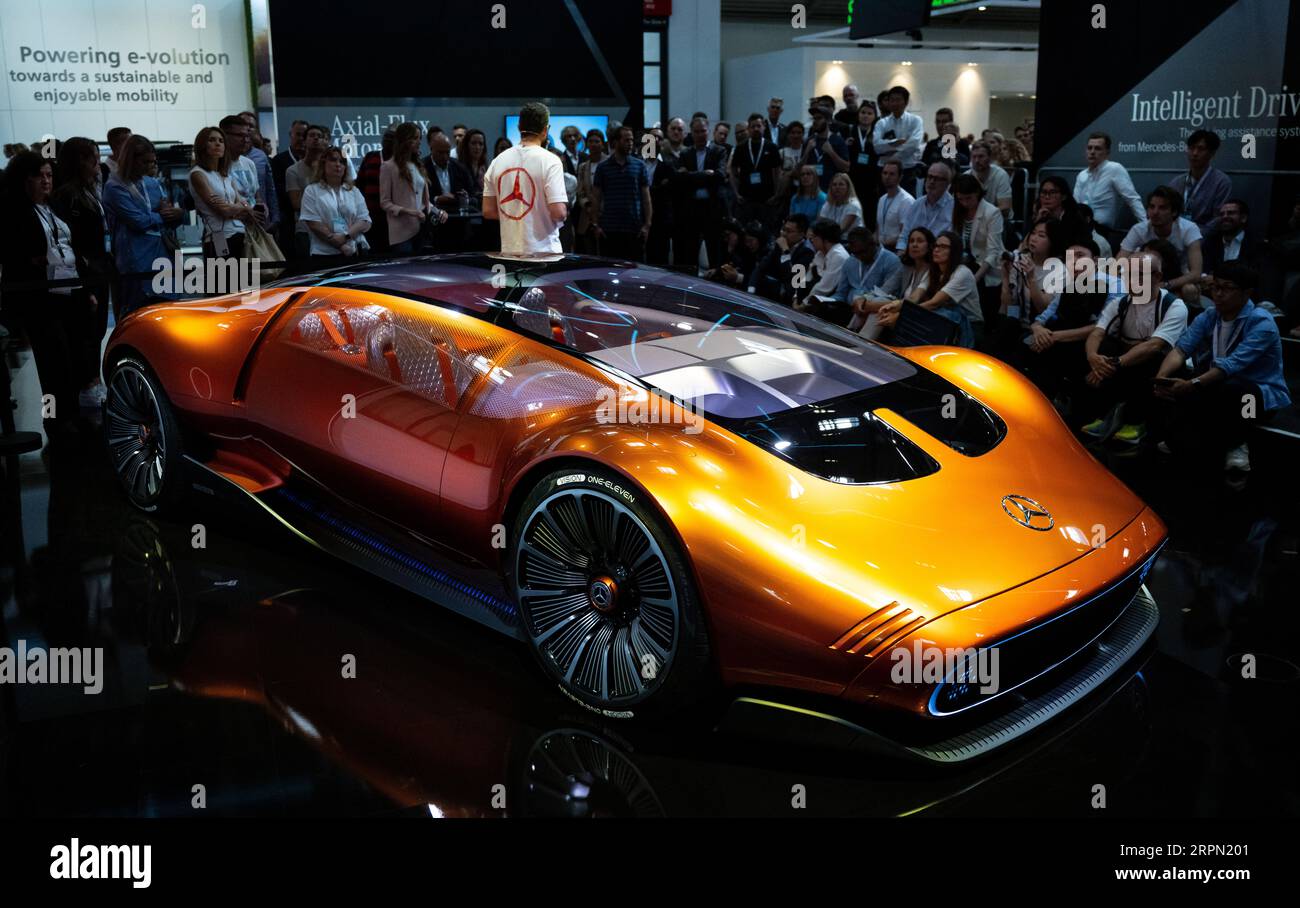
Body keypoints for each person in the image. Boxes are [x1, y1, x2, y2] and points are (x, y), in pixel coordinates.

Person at [1154, 260, 1289, 473]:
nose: (1217, 294)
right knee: (1182, 378)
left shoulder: (1261, 322)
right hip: (1218, 383)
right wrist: (1161, 378)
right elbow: (1181, 349)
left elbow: (1232, 364)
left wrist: (1192, 385)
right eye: (1215, 286)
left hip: (1257, 397)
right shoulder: (1210, 315)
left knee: (1237, 391)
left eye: (1226, 288)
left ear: (1247, 293)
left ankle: (1239, 444)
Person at [0, 152, 82, 441]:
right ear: (24, 180)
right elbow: (13, 253)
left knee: (69, 357)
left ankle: (72, 413)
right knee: (52, 362)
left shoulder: (54, 206)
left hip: (66, 289)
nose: (46, 181)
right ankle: (54, 420)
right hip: (37, 297)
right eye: (39, 176)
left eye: (49, 175)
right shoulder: (14, 211)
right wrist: (32, 260)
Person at [1076, 249, 1188, 444]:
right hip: (1125, 361)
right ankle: (1104, 415)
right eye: (1128, 274)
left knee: (1148, 357)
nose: (1131, 279)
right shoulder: (1121, 302)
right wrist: (1093, 358)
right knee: (1103, 348)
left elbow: (1154, 345)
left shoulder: (1174, 306)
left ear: (1158, 276)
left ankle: (1136, 421)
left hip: (1160, 367)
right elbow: (1097, 332)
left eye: (1138, 274)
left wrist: (1113, 364)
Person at [51, 137, 114, 408]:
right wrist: (85, 281)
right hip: (84, 272)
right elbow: (71, 241)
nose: (96, 164)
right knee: (86, 332)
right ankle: (87, 385)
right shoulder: (67, 196)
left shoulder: (90, 191)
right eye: (92, 159)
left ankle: (94, 382)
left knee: (97, 330)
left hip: (99, 267)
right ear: (79, 161)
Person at [1024, 238, 1117, 402]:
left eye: (1080, 255)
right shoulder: (1069, 284)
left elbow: (1104, 327)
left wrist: (1053, 337)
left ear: (1095, 261)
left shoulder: (1114, 284)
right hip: (1062, 338)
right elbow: (1043, 317)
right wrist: (1039, 329)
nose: (1073, 261)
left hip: (1096, 344)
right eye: (1070, 257)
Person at [102, 136, 183, 316]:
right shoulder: (114, 187)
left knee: (169, 310)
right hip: (135, 259)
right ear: (131, 160)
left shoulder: (152, 183)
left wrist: (177, 214)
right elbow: (138, 221)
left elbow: (167, 215)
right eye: (145, 162)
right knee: (138, 313)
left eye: (152, 161)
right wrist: (162, 215)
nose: (149, 166)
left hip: (162, 255)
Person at [482, 101, 568, 256]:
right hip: (545, 254)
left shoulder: (497, 161)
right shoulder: (551, 160)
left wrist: (515, 214)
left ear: (519, 127)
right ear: (545, 129)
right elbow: (559, 213)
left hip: (509, 252)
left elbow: (488, 211)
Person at [877, 229, 977, 347]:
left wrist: (901, 316)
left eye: (943, 247)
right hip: (944, 320)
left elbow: (933, 303)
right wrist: (896, 305)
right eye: (935, 246)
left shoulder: (963, 273)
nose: (936, 250)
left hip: (968, 326)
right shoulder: (934, 271)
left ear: (954, 251)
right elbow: (915, 297)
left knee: (923, 317)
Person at [1120, 186, 1203, 307]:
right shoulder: (1139, 229)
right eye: (1152, 207)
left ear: (1174, 212)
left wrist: (1165, 285)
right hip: (1147, 275)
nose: (1155, 212)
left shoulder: (1188, 229)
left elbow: (1196, 273)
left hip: (1179, 278)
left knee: (1189, 289)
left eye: (1162, 208)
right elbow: (1120, 261)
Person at [671, 116, 728, 272]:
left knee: (714, 252)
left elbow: (720, 176)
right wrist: (705, 174)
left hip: (712, 209)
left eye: (703, 131)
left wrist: (692, 175)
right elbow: (680, 179)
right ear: (691, 133)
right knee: (690, 253)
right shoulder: (685, 153)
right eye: (696, 132)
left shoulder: (719, 150)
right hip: (691, 210)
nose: (700, 135)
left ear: (708, 131)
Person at [189, 126, 253, 261]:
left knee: (241, 281)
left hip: (240, 235)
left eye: (221, 140)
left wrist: (236, 207)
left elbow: (245, 205)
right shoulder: (198, 174)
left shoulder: (226, 176)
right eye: (212, 140)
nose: (218, 143)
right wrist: (237, 207)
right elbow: (223, 210)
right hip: (218, 237)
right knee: (222, 281)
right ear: (202, 146)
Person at [381, 121, 445, 255]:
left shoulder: (418, 165)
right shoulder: (388, 167)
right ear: (405, 140)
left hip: (421, 230)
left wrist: (438, 212)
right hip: (401, 233)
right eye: (415, 138)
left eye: (420, 138)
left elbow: (422, 202)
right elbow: (385, 203)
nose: (419, 142)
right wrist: (410, 212)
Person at [590, 125, 652, 261]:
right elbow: (596, 197)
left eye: (631, 140)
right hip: (609, 229)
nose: (630, 144)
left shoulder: (639, 165)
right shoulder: (603, 167)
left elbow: (646, 197)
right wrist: (595, 225)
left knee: (635, 270)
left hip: (634, 228)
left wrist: (647, 225)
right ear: (615, 142)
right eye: (626, 140)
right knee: (609, 269)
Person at [299, 146, 371, 260]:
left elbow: (364, 220)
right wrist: (339, 244)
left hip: (355, 250)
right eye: (333, 160)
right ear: (323, 163)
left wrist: (345, 236)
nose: (338, 164)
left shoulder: (353, 190)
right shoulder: (311, 190)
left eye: (342, 162)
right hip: (324, 254)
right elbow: (313, 222)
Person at [951, 174, 1005, 322]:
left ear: (977, 193)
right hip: (966, 262)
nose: (964, 203)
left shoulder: (992, 212)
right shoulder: (958, 209)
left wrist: (974, 278)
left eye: (968, 198)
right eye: (960, 199)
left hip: (987, 268)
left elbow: (993, 252)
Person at [1073, 132, 1144, 241]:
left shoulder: (1114, 169)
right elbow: (1074, 204)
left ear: (1107, 152)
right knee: (1069, 254)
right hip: (1079, 228)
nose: (1092, 152)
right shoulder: (1081, 175)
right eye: (1089, 148)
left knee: (1087, 254)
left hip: (1100, 230)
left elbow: (1132, 199)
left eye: (1097, 149)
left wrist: (1146, 227)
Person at [835, 226, 903, 336]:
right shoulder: (851, 261)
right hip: (848, 308)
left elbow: (886, 294)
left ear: (873, 244)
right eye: (855, 253)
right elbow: (840, 293)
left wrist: (863, 302)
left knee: (877, 307)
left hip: (872, 308)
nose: (860, 257)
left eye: (862, 252)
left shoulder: (892, 261)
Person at [1168, 129, 1231, 232]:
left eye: (1201, 149)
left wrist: (1193, 236)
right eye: (1191, 148)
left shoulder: (1221, 182)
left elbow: (1218, 219)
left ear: (1212, 153)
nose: (1195, 153)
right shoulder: (1176, 183)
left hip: (1204, 239)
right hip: (1175, 235)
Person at [731, 112, 782, 229]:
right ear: (748, 128)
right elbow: (733, 170)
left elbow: (778, 172)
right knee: (745, 231)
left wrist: (776, 194)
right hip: (746, 198)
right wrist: (736, 193)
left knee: (766, 231)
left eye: (758, 126)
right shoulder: (741, 147)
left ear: (763, 127)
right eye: (753, 126)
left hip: (766, 198)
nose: (756, 129)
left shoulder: (772, 147)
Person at [751, 213, 815, 306]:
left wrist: (786, 252)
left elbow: (794, 282)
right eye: (783, 229)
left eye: (788, 231)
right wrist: (751, 290)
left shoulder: (807, 253)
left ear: (801, 234)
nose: (783, 234)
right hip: (772, 293)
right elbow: (761, 268)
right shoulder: (779, 245)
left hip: (789, 299)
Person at [895, 161, 954, 253]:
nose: (931, 182)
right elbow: (904, 236)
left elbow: (949, 244)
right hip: (912, 256)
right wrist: (901, 253)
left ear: (947, 184)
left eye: (937, 179)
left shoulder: (953, 208)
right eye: (930, 177)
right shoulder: (916, 204)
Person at [794, 218, 850, 314]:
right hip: (812, 296)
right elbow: (806, 277)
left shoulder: (839, 256)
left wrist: (803, 305)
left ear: (825, 239)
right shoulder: (820, 253)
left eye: (813, 237)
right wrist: (796, 298)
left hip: (830, 300)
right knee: (798, 276)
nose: (811, 241)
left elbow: (824, 288)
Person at [873, 85, 925, 189]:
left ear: (906, 102)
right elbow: (876, 146)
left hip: (907, 170)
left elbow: (913, 145)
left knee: (908, 203)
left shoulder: (915, 121)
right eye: (891, 100)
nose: (894, 103)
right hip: (884, 171)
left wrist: (891, 155)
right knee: (884, 202)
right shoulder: (881, 123)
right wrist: (895, 142)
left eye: (898, 100)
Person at [238, 111, 279, 236]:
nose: (248, 129)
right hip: (237, 218)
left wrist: (275, 217)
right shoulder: (227, 155)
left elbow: (270, 187)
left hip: (261, 218)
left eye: (251, 126)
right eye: (245, 125)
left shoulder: (260, 155)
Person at [354, 129, 393, 254]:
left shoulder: (401, 162)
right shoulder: (371, 156)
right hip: (370, 217)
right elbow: (359, 185)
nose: (387, 139)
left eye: (392, 137)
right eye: (386, 136)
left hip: (392, 220)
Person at [272, 119, 307, 251]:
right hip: (288, 221)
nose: (301, 139)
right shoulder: (279, 161)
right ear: (290, 135)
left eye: (304, 135)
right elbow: (278, 192)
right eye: (298, 134)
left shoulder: (316, 164)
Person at [571, 129, 608, 254]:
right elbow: (580, 191)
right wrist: (587, 205)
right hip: (587, 215)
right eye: (590, 141)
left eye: (597, 141)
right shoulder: (583, 167)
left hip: (606, 215)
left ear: (603, 144)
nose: (593, 144)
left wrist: (600, 207)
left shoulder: (609, 163)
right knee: (589, 252)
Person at [844, 101, 880, 226]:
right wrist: (846, 145)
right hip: (853, 178)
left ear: (874, 116)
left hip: (871, 180)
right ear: (858, 114)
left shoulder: (877, 133)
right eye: (863, 112)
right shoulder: (850, 131)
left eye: (869, 113)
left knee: (869, 213)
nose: (865, 116)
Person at [1201, 198, 1256, 273]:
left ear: (1243, 218)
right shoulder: (1211, 242)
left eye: (1231, 213)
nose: (1225, 217)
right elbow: (1204, 270)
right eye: (1221, 214)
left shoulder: (1256, 245)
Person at [875, 159, 914, 252]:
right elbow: (878, 228)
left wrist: (884, 243)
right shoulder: (882, 199)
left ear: (900, 177)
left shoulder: (906, 201)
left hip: (896, 250)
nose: (887, 177)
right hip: (880, 248)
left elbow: (905, 233)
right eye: (885, 173)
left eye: (892, 174)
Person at [965, 140, 1012, 217]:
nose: (976, 160)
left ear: (990, 158)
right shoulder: (967, 176)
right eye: (974, 157)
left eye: (981, 156)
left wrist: (981, 216)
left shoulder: (1000, 175)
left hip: (999, 219)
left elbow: (1005, 208)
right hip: (973, 220)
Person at [459, 129, 489, 203]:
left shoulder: (485, 167)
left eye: (480, 144)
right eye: (473, 143)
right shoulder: (459, 167)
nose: (477, 147)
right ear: (467, 145)